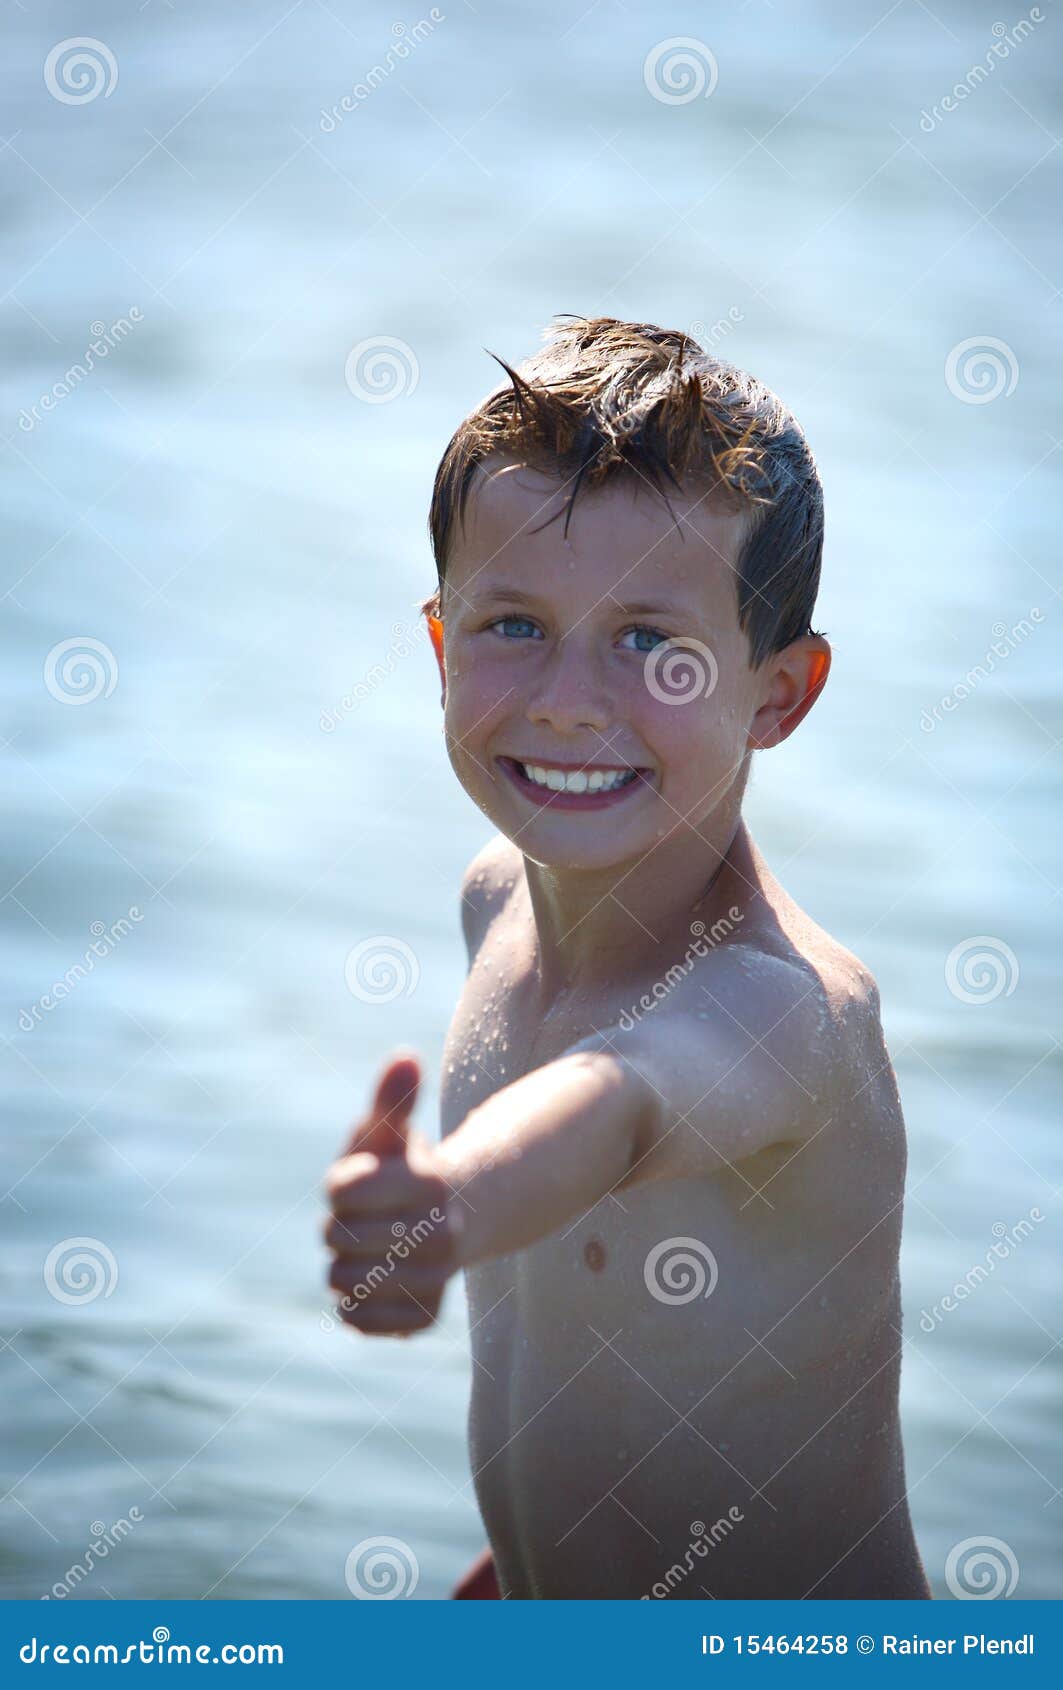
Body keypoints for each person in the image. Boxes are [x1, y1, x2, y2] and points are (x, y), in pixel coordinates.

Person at [322, 316, 931, 1599]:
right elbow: (602, 1389)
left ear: (780, 696)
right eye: (513, 626)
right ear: (438, 646)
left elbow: (617, 1100)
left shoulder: (779, 1012)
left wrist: (449, 1208)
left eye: (655, 644)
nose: (569, 699)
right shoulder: (497, 905)